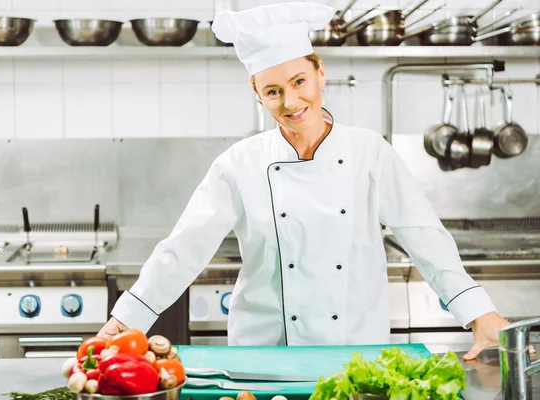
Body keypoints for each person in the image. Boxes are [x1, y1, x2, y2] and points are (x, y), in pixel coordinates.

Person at [99, 2, 512, 361]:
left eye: (299, 82)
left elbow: (424, 236)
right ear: (257, 92)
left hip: (354, 349)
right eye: (274, 91)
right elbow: (184, 248)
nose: (291, 102)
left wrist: (478, 311)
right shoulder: (239, 164)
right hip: (264, 353)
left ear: (319, 72)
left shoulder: (370, 152)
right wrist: (126, 318)